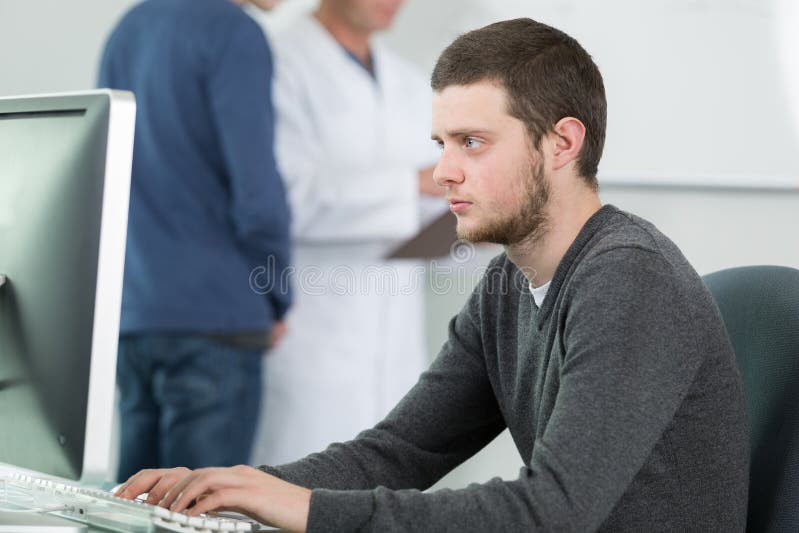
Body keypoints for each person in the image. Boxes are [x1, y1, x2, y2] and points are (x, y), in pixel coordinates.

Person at [114, 17, 750, 532]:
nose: (444, 171)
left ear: (561, 144)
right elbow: (395, 453)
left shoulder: (628, 279)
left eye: (471, 143)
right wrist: (239, 486)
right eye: (439, 144)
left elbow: (552, 512)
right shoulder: (506, 287)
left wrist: (307, 510)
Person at [97, 0, 291, 481]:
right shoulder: (234, 31)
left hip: (136, 317)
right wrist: (276, 292)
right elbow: (258, 195)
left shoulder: (128, 28)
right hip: (215, 319)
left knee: (135, 510)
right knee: (202, 511)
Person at [251, 0, 443, 465]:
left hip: (397, 352)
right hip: (311, 344)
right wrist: (412, 185)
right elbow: (287, 197)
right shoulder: (277, 62)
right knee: (292, 498)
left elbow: (434, 205)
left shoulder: (411, 83)